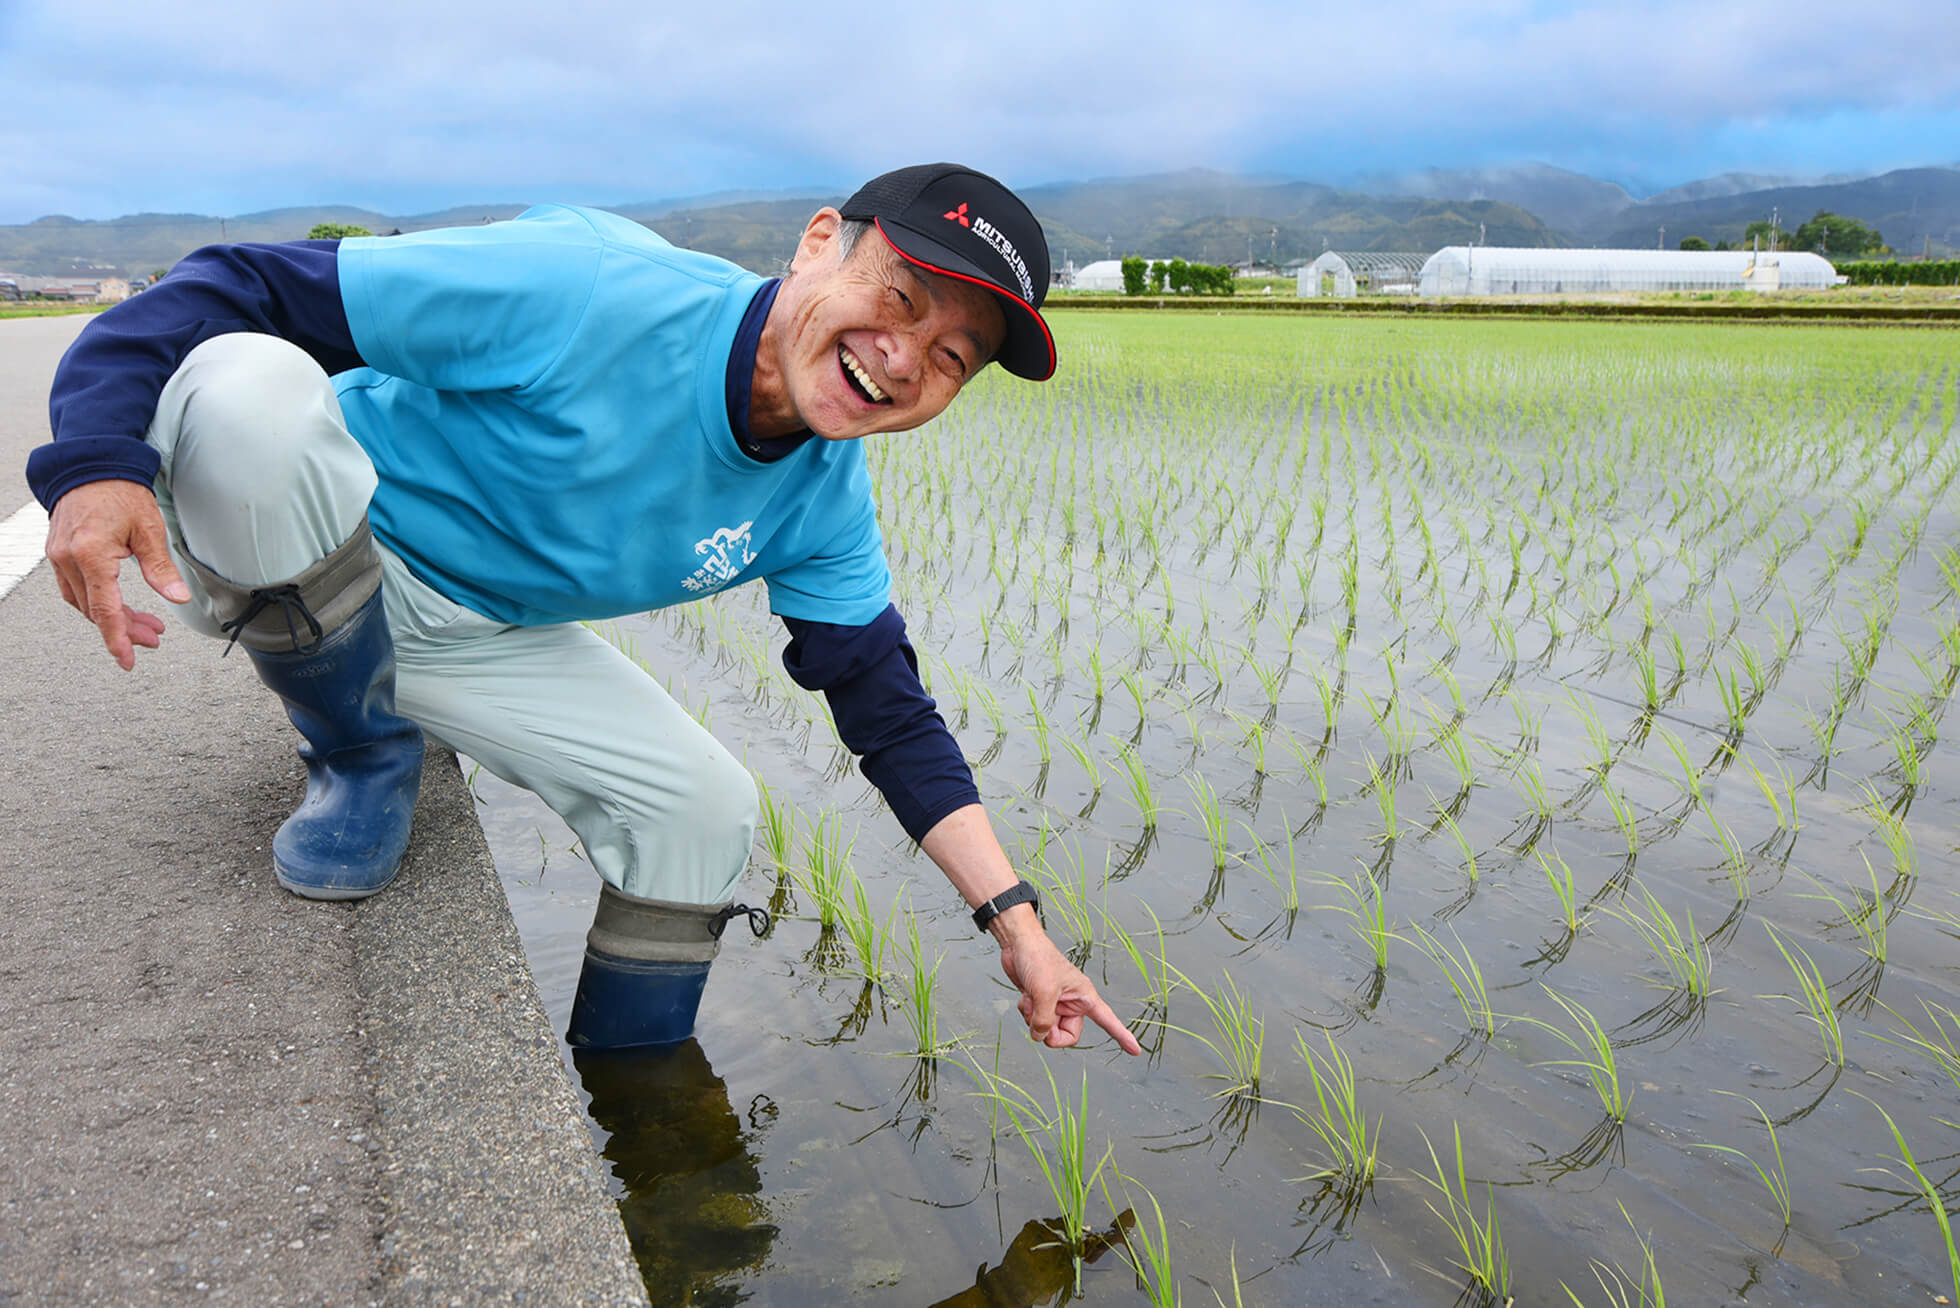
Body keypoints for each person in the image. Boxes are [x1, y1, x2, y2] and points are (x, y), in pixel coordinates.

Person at [29, 162, 1141, 1057]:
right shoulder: (590, 285)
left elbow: (886, 711)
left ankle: (640, 1102)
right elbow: (240, 283)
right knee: (245, 397)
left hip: (483, 634)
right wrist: (94, 463)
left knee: (705, 812)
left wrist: (1021, 930)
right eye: (897, 299)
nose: (902, 359)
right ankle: (359, 751)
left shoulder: (823, 503)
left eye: (951, 358)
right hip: (315, 549)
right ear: (817, 244)